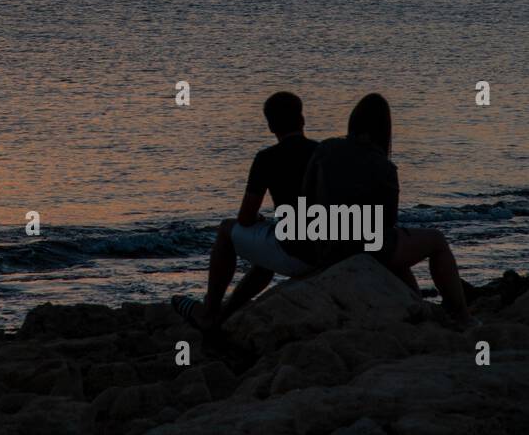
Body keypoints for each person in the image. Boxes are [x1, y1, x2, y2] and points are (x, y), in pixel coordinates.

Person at [302, 93, 473, 327]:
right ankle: (461, 316)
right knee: (437, 241)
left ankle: (419, 309)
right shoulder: (384, 165)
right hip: (362, 246)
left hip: (325, 244)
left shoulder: (325, 148)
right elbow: (387, 221)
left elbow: (306, 197)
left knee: (398, 259)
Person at [172, 91, 318, 330]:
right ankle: (224, 315)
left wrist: (259, 219)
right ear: (302, 120)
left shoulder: (267, 158)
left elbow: (246, 218)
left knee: (226, 230)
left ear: (270, 126)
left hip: (296, 251)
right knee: (264, 258)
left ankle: (209, 312)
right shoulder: (322, 152)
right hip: (325, 246)